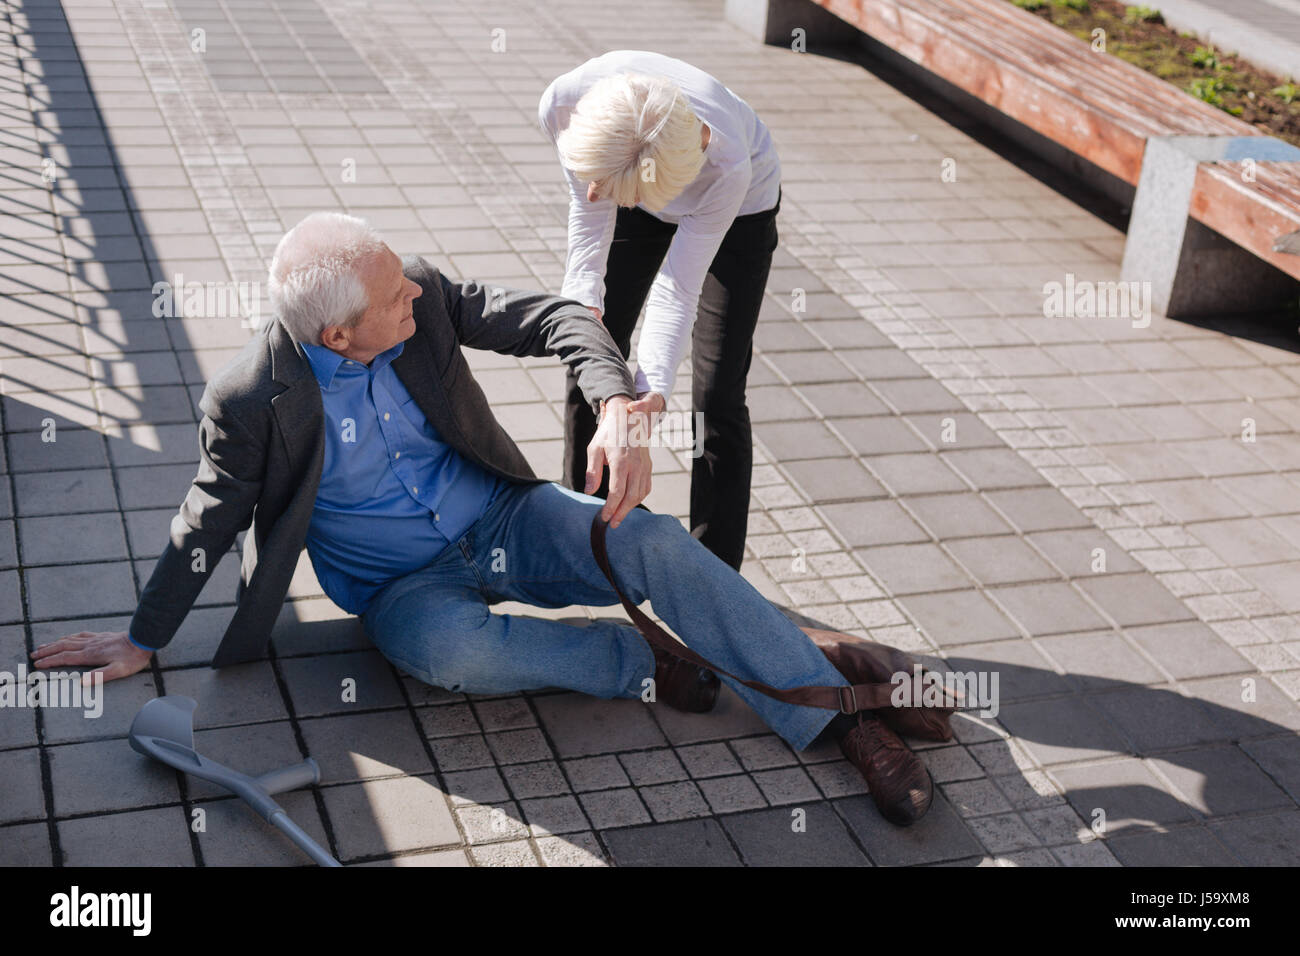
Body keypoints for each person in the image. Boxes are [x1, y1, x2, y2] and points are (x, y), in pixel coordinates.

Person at [30, 212, 932, 827]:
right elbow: (207, 518)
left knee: (647, 537)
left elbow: (553, 318)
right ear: (338, 334)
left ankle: (841, 716)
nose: (418, 298)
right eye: (395, 300)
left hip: (505, 512)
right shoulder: (249, 399)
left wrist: (614, 400)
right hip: (401, 584)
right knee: (448, 656)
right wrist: (146, 638)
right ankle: (650, 660)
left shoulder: (416, 293)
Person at [539, 50, 781, 571]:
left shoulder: (730, 162)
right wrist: (589, 332)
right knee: (595, 351)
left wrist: (650, 397)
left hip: (736, 211)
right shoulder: (564, 104)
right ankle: (588, 527)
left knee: (716, 394)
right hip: (628, 170)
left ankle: (714, 573)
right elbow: (587, 239)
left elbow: (677, 289)